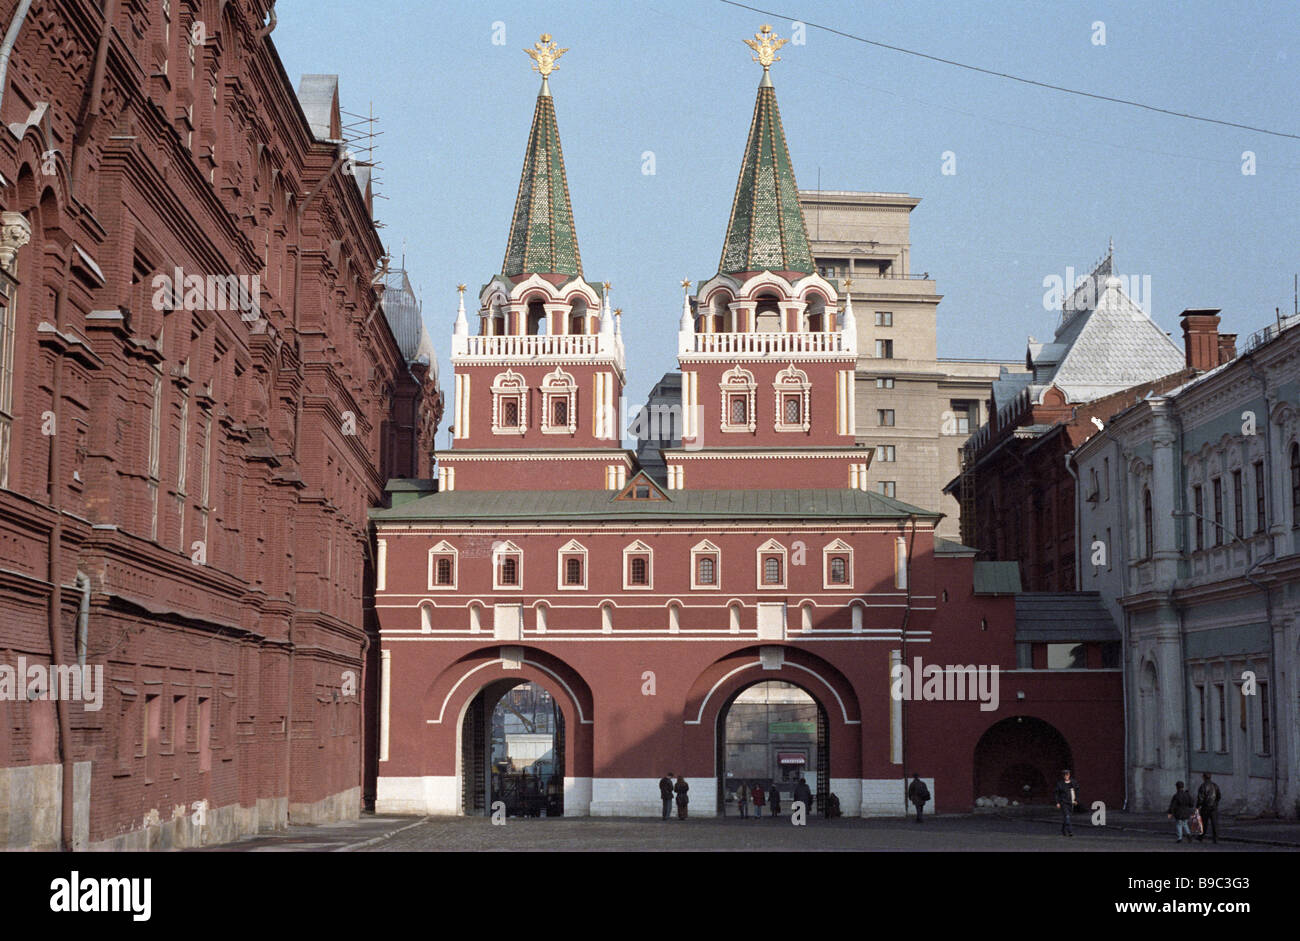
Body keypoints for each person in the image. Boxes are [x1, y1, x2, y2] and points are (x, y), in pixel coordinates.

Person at [1196, 772, 1221, 844]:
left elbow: (1200, 798)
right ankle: (1215, 838)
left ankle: (1201, 837)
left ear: (1204, 777)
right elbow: (1219, 796)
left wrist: (1198, 806)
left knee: (1204, 823)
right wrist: (1215, 803)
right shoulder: (1215, 785)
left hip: (1205, 807)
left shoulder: (1202, 786)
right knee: (1214, 823)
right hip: (1213, 807)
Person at [1053, 769, 1077, 837]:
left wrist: (1076, 800)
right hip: (1063, 802)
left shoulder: (1073, 782)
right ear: (1062, 776)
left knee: (1066, 818)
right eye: (1064, 775)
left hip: (1071, 802)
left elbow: (1076, 791)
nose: (1066, 776)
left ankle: (1063, 829)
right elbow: (1056, 794)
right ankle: (1070, 831)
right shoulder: (1060, 784)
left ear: (1069, 775)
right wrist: (1057, 802)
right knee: (1067, 816)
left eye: (1067, 774)